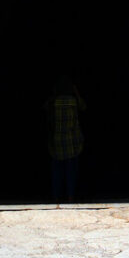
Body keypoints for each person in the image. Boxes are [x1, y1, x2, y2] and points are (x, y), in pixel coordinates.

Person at [44, 74, 86, 203]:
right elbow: (84, 107)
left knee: (57, 171)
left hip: (56, 142)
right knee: (71, 171)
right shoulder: (73, 101)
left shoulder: (52, 102)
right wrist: (77, 92)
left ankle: (56, 197)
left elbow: (44, 110)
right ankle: (70, 197)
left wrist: (53, 95)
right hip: (72, 142)